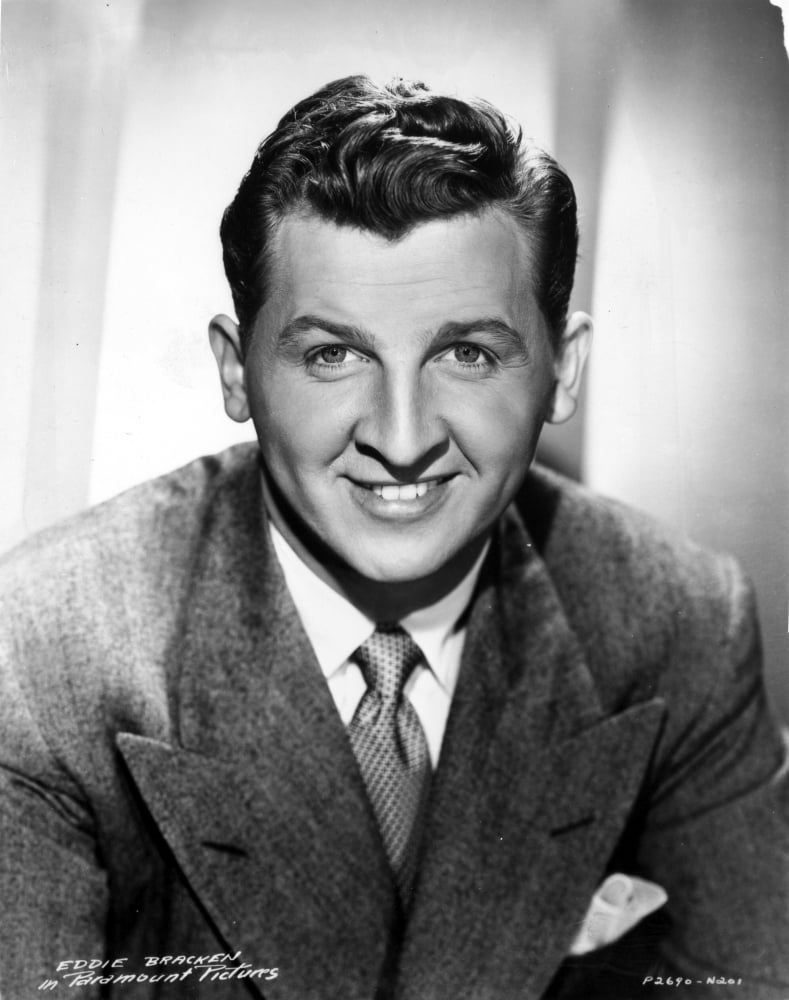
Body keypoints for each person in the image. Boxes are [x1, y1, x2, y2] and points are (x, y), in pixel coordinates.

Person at [0, 75, 786, 1000]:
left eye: (469, 354)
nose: (403, 438)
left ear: (561, 372)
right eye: (333, 355)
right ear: (235, 372)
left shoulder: (680, 621)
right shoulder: (39, 652)